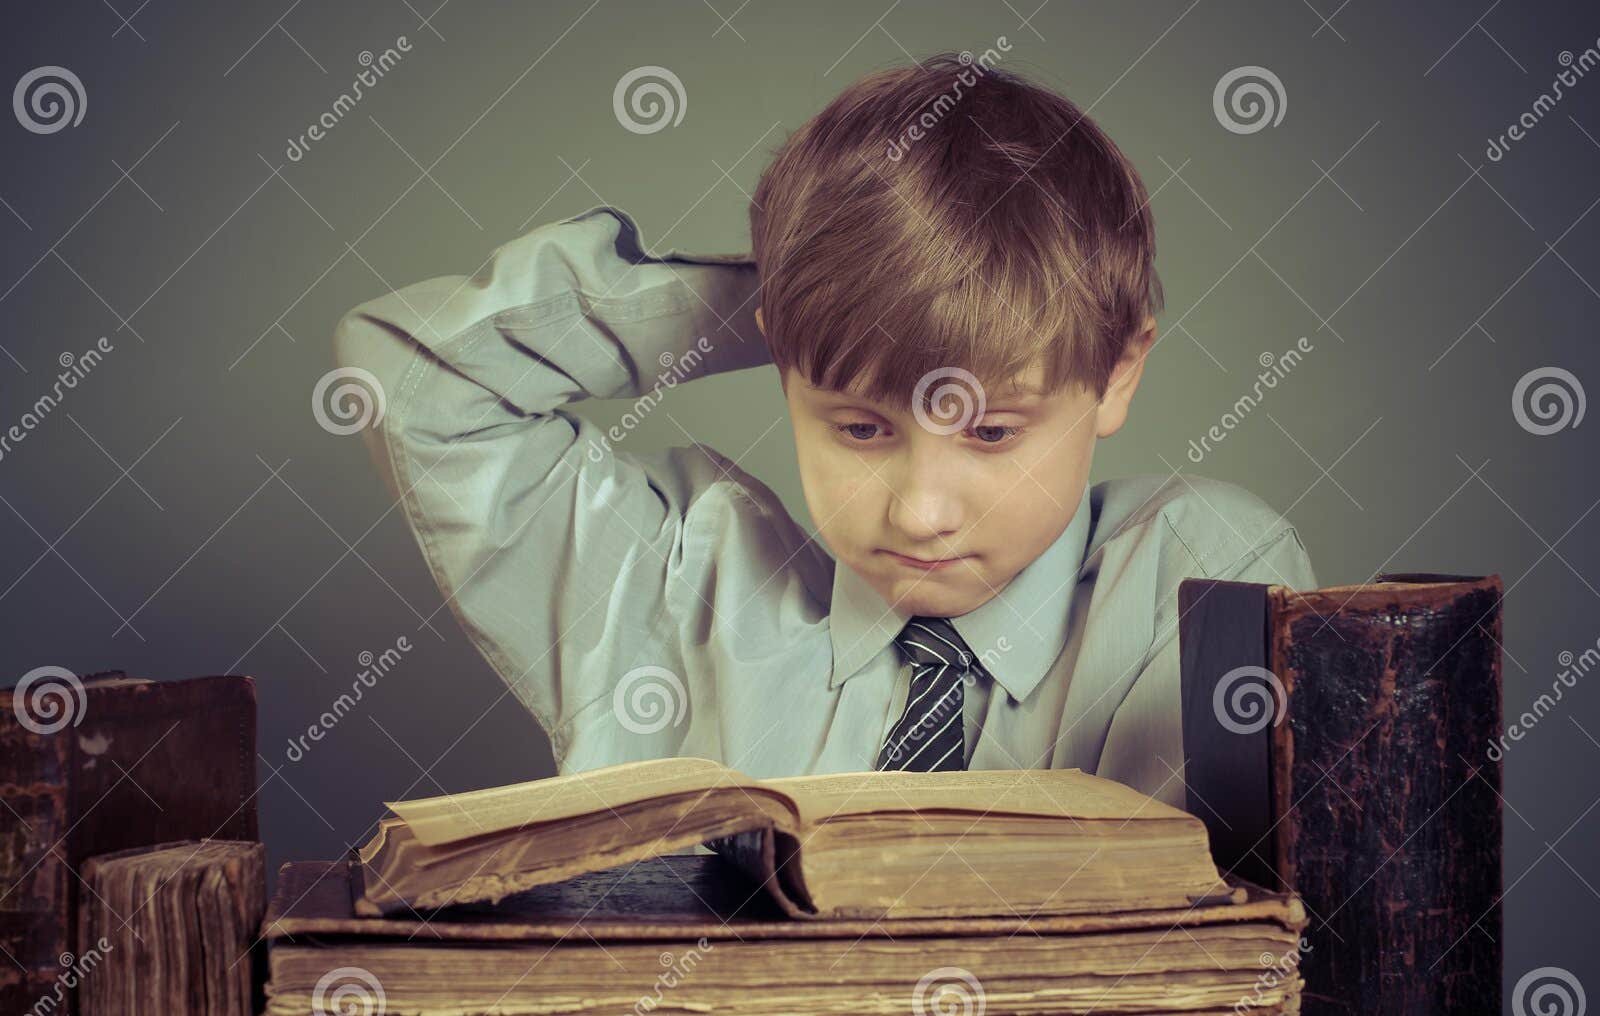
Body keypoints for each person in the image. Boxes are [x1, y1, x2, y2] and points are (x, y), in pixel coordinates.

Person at [333, 53, 1316, 807]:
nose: (922, 511)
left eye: (990, 434)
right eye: (858, 426)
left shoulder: (1191, 583)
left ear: (1116, 373)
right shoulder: (670, 594)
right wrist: (807, 299)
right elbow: (413, 379)